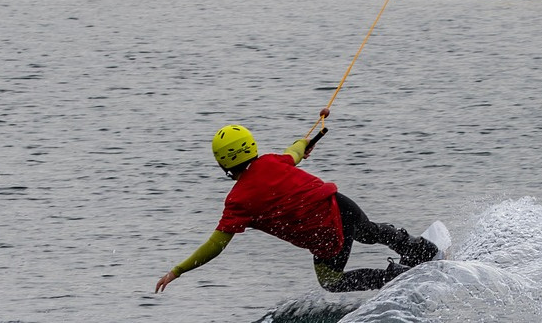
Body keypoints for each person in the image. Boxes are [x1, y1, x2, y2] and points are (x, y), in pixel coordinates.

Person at [154, 116, 438, 294]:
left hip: (326, 236)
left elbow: (215, 245)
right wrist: (303, 142)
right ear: (251, 146)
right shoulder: (270, 161)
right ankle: (422, 249)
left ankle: (396, 278)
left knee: (331, 282)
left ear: (222, 162)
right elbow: (294, 153)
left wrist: (178, 270)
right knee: (367, 231)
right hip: (339, 205)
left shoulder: (237, 201)